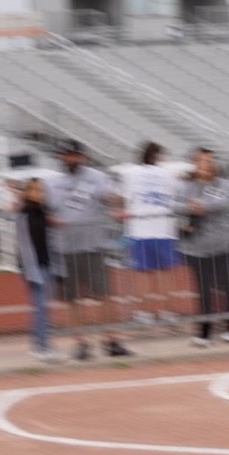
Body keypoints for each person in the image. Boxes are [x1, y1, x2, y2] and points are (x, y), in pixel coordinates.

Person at [48, 139, 133, 360]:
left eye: (74, 155)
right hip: (65, 247)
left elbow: (111, 197)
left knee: (104, 294)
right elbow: (45, 209)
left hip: (93, 245)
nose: (70, 159)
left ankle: (112, 340)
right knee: (72, 298)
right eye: (66, 155)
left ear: (82, 157)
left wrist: (117, 205)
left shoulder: (96, 177)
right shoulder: (53, 183)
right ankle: (81, 343)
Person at [180, 148, 229, 345]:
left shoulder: (224, 184)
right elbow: (177, 204)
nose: (205, 165)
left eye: (208, 161)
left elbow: (223, 202)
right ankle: (205, 331)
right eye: (200, 161)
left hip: (223, 243)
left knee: (228, 286)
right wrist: (187, 208)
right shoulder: (188, 186)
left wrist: (201, 206)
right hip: (197, 246)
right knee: (203, 289)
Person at [121, 141, 182, 318]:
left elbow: (123, 197)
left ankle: (144, 312)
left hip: (140, 230)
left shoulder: (130, 173)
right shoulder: (168, 173)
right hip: (162, 228)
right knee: (165, 272)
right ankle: (167, 310)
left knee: (143, 273)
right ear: (156, 156)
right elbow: (176, 192)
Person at [12, 176, 59, 362]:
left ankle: (43, 343)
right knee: (40, 306)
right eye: (33, 190)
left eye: (40, 190)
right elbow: (23, 245)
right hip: (32, 266)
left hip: (45, 263)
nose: (38, 194)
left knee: (44, 306)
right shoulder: (24, 214)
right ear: (27, 192)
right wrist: (31, 270)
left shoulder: (44, 212)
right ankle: (40, 346)